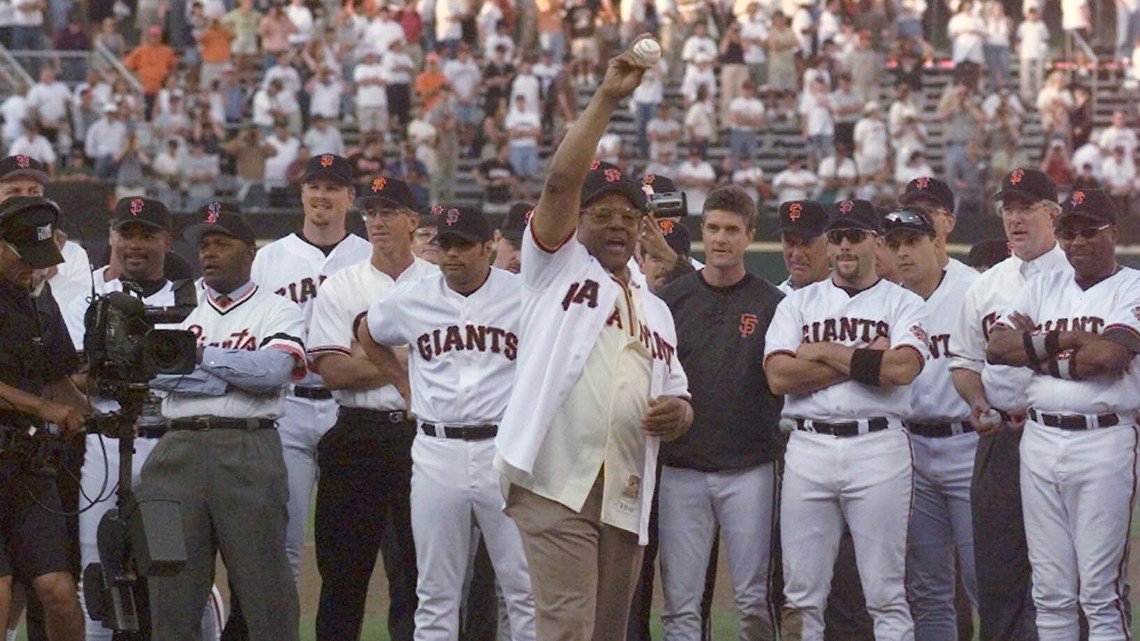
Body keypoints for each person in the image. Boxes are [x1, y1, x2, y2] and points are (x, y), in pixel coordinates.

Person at [494, 41, 694, 641]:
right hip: (557, 480)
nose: (615, 224)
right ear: (579, 222)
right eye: (601, 212)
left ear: (642, 229)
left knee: (607, 633)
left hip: (626, 485)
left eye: (627, 217)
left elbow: (679, 395)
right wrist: (607, 97)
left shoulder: (655, 309)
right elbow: (560, 183)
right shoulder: (557, 269)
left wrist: (679, 413)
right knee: (566, 630)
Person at [357, 206, 537, 641]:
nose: (451, 254)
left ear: (489, 247)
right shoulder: (414, 297)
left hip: (505, 450)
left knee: (524, 589)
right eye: (444, 245)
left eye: (463, 245)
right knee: (435, 592)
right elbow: (367, 330)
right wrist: (403, 383)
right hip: (437, 451)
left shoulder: (523, 294)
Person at [764, 199, 928, 640]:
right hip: (808, 446)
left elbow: (901, 369)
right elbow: (780, 376)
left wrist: (823, 352)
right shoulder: (798, 304)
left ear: (877, 242)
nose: (844, 245)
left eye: (855, 235)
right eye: (836, 236)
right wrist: (864, 359)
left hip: (878, 447)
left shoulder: (902, 303)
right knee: (801, 596)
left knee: (886, 593)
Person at [139, 203, 302, 641]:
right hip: (174, 454)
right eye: (204, 245)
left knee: (265, 588)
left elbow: (272, 374)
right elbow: (156, 378)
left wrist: (200, 355)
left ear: (249, 252)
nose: (209, 253)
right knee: (169, 591)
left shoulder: (277, 309)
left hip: (247, 449)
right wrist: (234, 376)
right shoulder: (180, 308)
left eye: (221, 243)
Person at [984, 188, 1137, 641]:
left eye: (1089, 231)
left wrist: (1035, 353)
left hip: (1105, 439)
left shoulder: (1133, 286)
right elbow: (996, 347)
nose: (1077, 242)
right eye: (1068, 232)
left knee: (1099, 594)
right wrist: (1062, 341)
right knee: (1050, 594)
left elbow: (1109, 357)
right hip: (1040, 439)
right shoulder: (1044, 285)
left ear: (1114, 233)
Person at [61, 198, 216, 641]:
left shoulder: (193, 298)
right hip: (108, 443)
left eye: (147, 234)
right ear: (112, 238)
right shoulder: (87, 298)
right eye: (127, 234)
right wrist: (106, 366)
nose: (136, 244)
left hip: (172, 442)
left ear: (166, 241)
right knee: (96, 564)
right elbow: (65, 375)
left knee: (178, 570)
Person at [306, 177, 436, 641]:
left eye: (389, 212)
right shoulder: (343, 284)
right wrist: (416, 355)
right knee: (342, 573)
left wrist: (367, 356)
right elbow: (335, 372)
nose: (377, 221)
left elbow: (454, 361)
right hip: (357, 431)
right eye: (371, 213)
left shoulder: (438, 282)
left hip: (419, 435)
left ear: (412, 221)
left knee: (418, 576)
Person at [657, 185, 784, 641]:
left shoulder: (772, 303)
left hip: (750, 465)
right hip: (682, 465)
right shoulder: (672, 300)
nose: (721, 239)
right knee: (680, 604)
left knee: (753, 600)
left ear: (750, 235)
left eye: (732, 229)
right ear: (701, 233)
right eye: (712, 228)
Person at [949, 168, 1070, 641]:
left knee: (1061, 573)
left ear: (1053, 214)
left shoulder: (1076, 277)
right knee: (997, 574)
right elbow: (963, 361)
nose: (1014, 218)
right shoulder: (988, 284)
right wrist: (977, 401)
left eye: (1026, 208)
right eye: (1008, 208)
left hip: (1057, 433)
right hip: (1000, 437)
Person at [249, 154, 372, 585]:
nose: (322, 195)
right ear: (302, 193)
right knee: (284, 541)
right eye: (314, 186)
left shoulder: (369, 256)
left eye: (333, 187)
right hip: (290, 406)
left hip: (352, 405)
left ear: (350, 198)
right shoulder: (270, 258)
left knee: (347, 546)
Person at [882, 209, 980, 641]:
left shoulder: (972, 292)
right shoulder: (884, 299)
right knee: (928, 589)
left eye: (913, 242)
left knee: (984, 578)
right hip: (913, 450)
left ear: (936, 244)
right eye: (896, 243)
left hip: (968, 444)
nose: (903, 252)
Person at [0, 196, 88, 641]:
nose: (33, 268)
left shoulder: (38, 293)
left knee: (58, 590)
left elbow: (58, 377)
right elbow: (46, 400)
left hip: (30, 463)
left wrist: (94, 413)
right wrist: (41, 408)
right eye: (23, 257)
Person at [897, 176, 977, 276]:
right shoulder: (892, 280)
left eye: (929, 211)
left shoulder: (971, 284)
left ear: (949, 222)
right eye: (911, 211)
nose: (919, 217)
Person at [492, 202, 530, 274]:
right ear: (497, 239)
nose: (519, 259)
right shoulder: (472, 283)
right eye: (514, 245)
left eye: (529, 251)